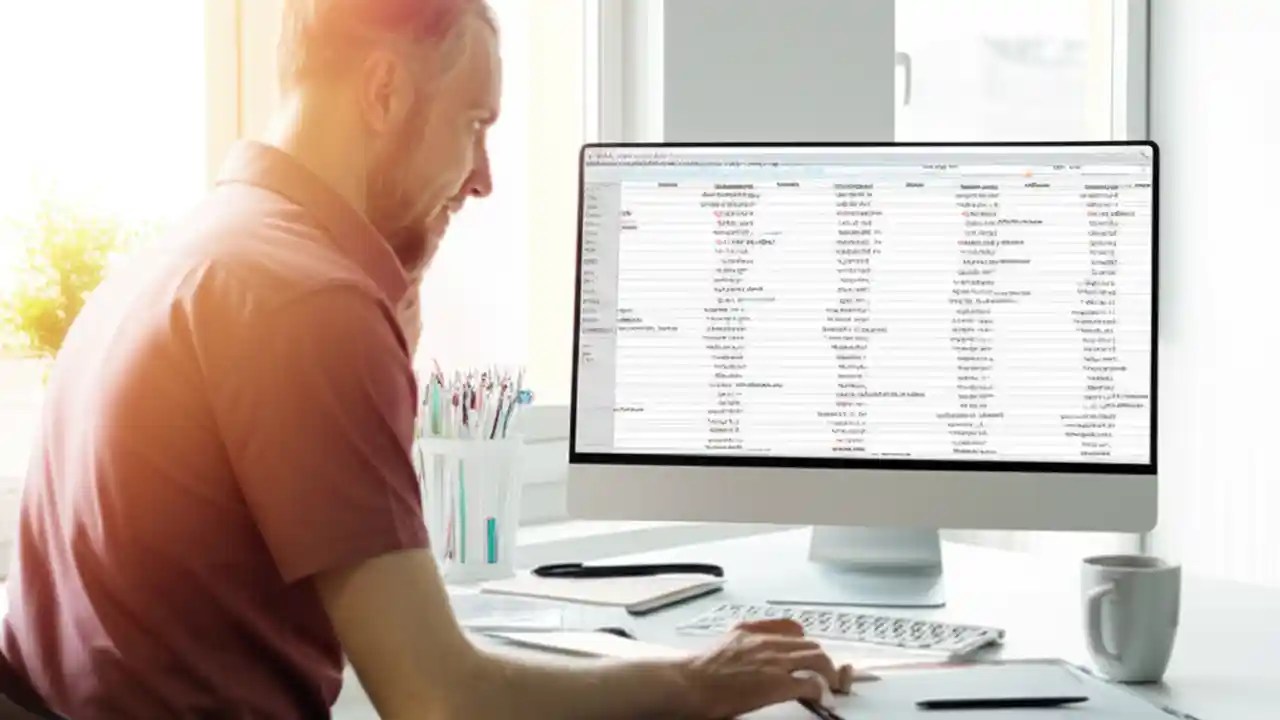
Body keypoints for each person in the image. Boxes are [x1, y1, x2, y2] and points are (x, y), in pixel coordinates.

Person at [0, 0, 855, 717]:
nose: (483, 177)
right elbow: (438, 699)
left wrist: (390, 302)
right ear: (382, 90)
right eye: (475, 124)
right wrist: (698, 680)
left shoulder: (199, 253)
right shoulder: (308, 303)